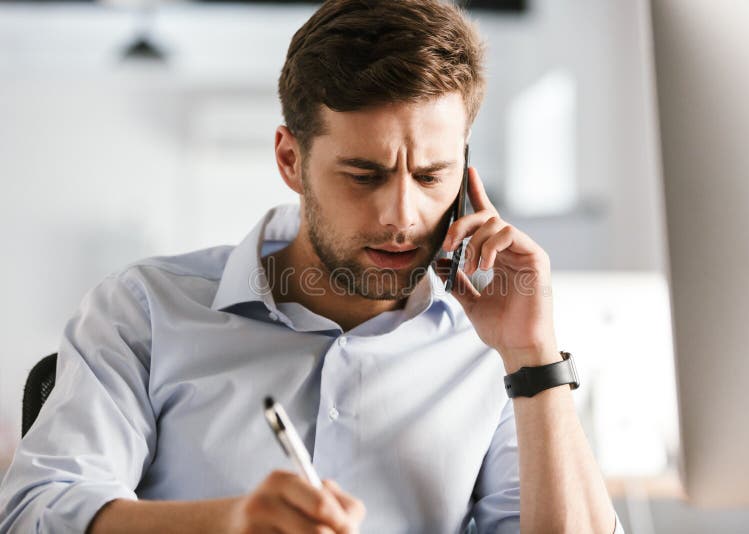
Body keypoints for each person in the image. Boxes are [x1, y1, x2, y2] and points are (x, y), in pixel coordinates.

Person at [0, 1, 626, 532]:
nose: (401, 215)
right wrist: (228, 523)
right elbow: (37, 509)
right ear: (290, 159)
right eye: (364, 175)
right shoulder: (144, 311)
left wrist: (533, 357)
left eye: (432, 176)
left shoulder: (490, 354)